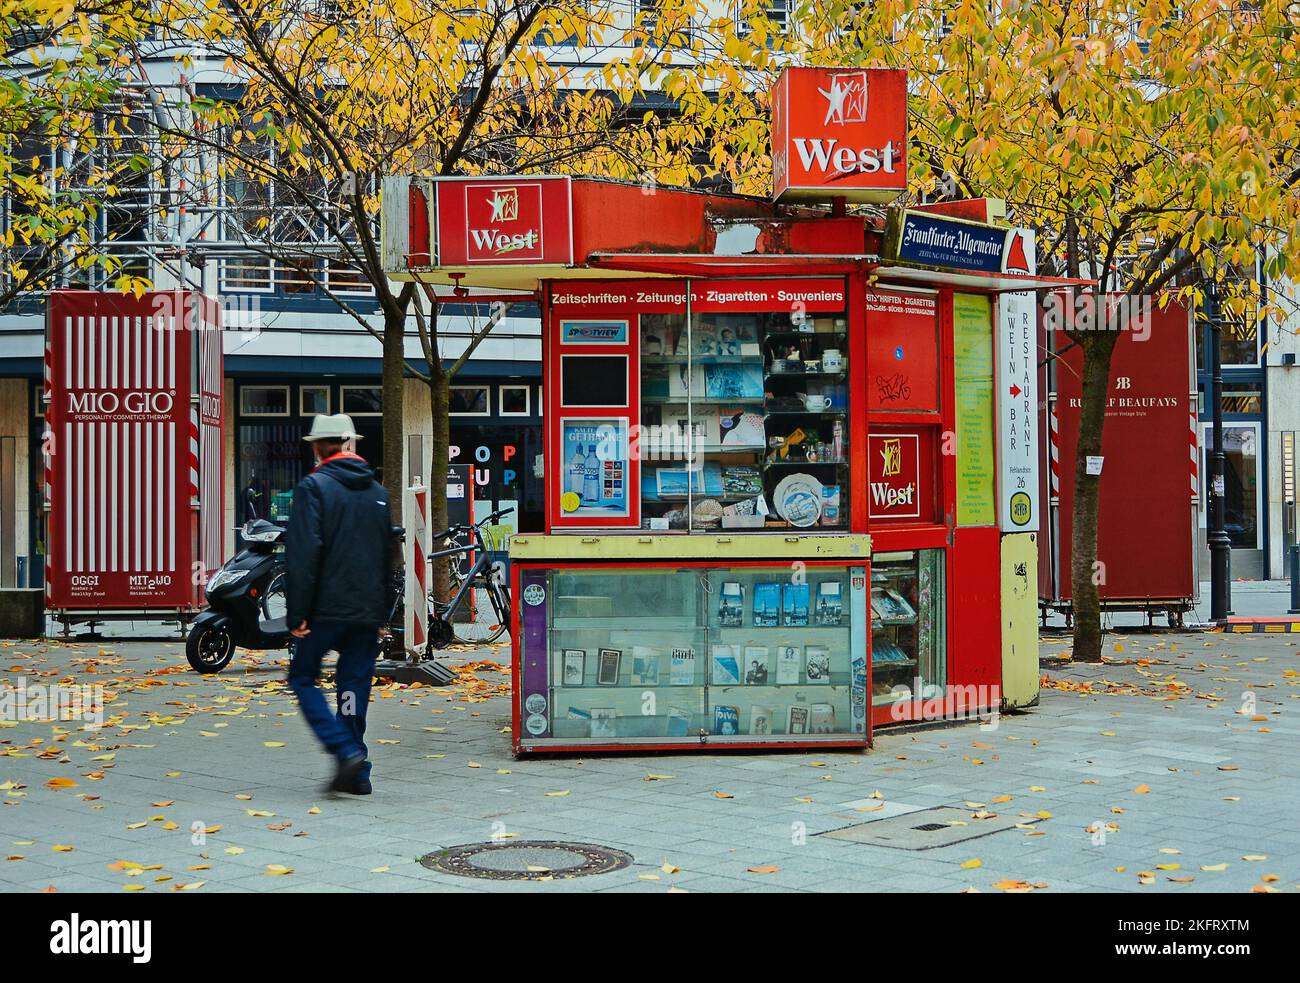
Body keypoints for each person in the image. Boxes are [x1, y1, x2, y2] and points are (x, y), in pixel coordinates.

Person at [285, 414, 393, 794]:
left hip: (325, 611)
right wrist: (382, 614)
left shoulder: (313, 487)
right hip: (365, 612)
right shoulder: (378, 493)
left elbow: (302, 553)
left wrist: (297, 613)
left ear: (317, 447)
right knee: (353, 684)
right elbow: (387, 556)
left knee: (302, 678)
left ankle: (344, 750)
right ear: (349, 444)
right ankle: (357, 773)